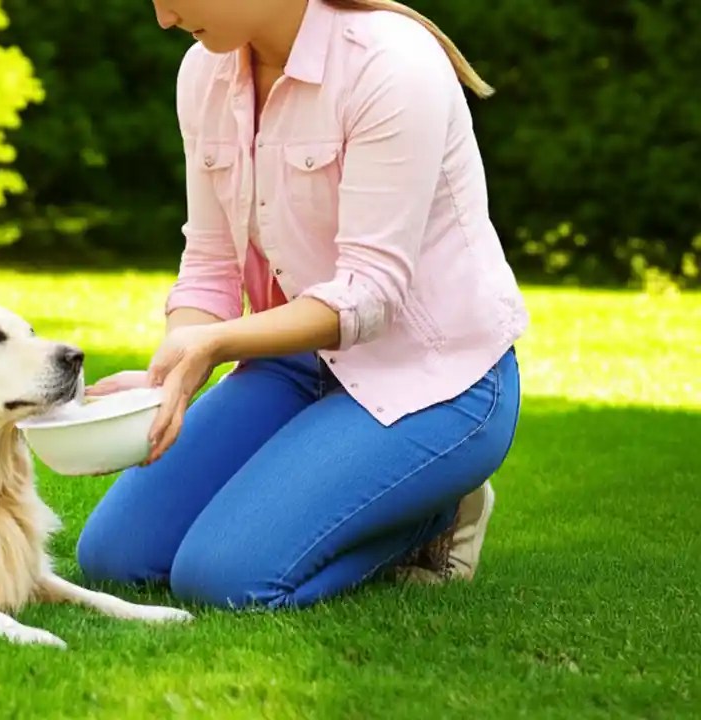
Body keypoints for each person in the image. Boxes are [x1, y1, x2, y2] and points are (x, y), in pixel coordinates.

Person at [75, 0, 529, 610]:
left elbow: (369, 295)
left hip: (435, 382)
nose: (163, 18)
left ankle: (435, 513)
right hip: (295, 367)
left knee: (224, 580)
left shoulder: (391, 63)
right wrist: (172, 372)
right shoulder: (203, 74)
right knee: (115, 557)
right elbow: (211, 261)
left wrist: (215, 344)